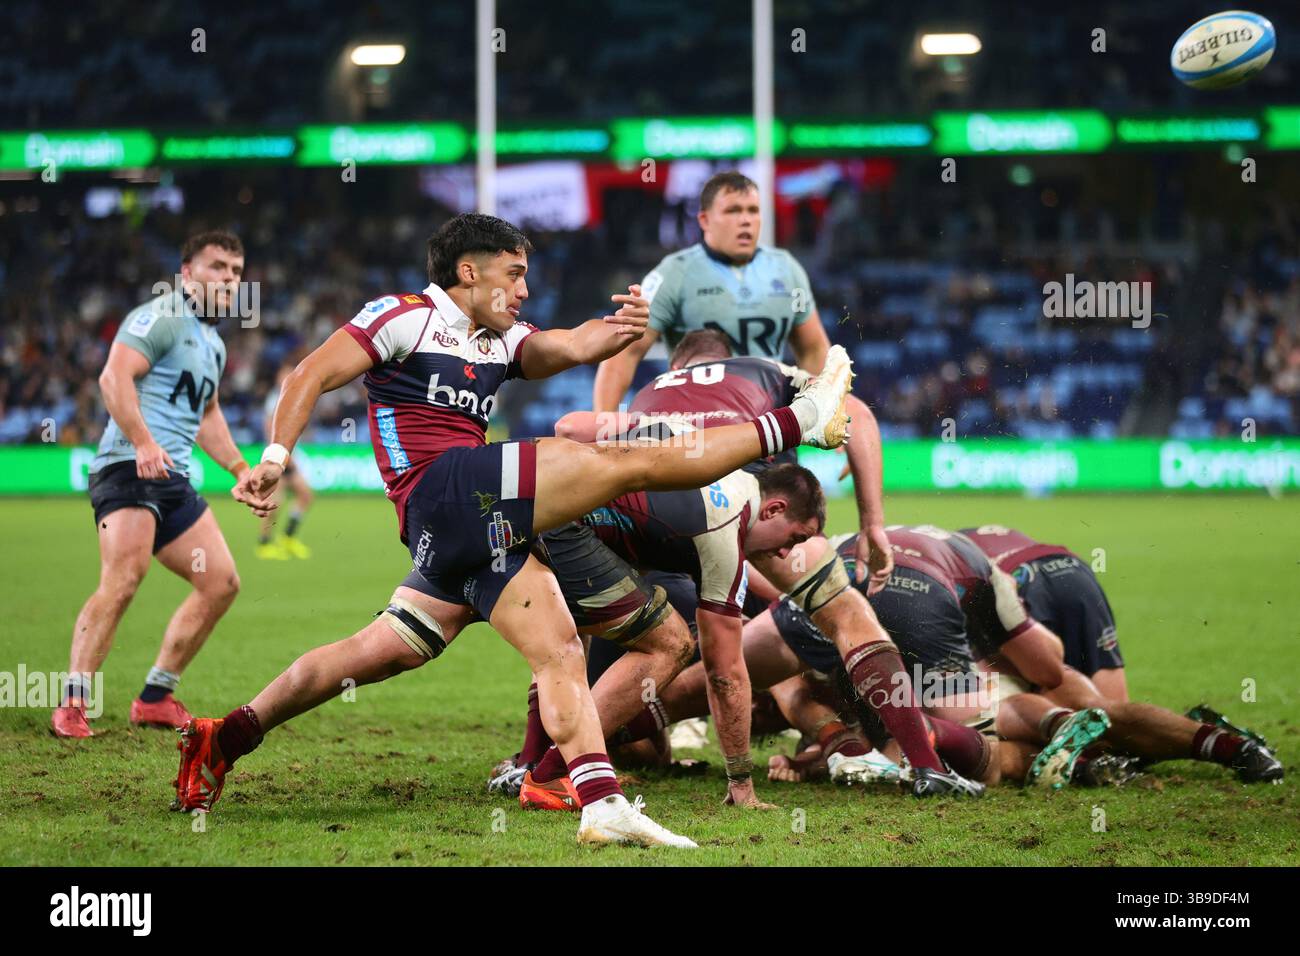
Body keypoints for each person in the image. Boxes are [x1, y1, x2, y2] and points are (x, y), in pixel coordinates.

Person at [170, 213, 855, 849]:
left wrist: (618, 332)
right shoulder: (403, 318)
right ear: (470, 272)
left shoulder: (501, 338)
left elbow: (567, 345)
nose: (525, 288)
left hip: (471, 524)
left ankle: (223, 739)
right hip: (441, 489)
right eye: (515, 273)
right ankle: (797, 424)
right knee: (620, 462)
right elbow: (309, 374)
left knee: (496, 651)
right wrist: (274, 458)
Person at [52, 231, 248, 738]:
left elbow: (206, 414)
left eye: (235, 270)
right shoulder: (158, 316)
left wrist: (240, 470)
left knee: (221, 582)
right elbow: (112, 378)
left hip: (171, 478)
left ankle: (155, 697)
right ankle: (73, 703)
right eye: (217, 266)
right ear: (187, 273)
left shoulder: (213, 342)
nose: (229, 278)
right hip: (127, 467)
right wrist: (141, 442)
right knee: (123, 579)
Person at [255, 361, 315, 560]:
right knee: (275, 501)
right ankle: (264, 543)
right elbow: (268, 424)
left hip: (288, 456)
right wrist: (280, 453)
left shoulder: (290, 394)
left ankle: (287, 538)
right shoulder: (276, 396)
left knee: (305, 495)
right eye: (285, 374)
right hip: (278, 457)